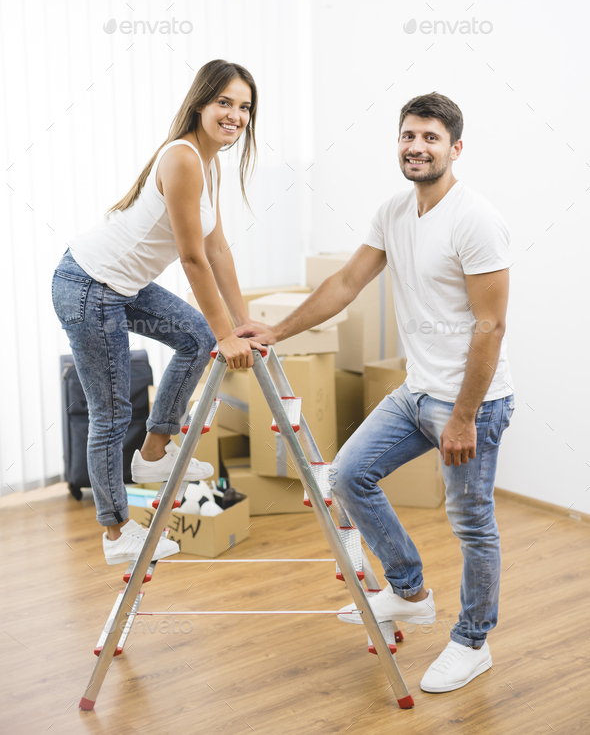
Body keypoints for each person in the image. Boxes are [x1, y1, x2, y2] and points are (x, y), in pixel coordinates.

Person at [234, 91, 515, 694]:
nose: (417, 147)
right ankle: (410, 590)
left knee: (472, 524)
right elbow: (344, 283)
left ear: (455, 148)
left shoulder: (476, 219)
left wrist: (464, 417)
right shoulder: (394, 212)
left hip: (472, 402)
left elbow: (491, 327)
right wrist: (276, 330)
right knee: (346, 476)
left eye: (431, 138)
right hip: (417, 393)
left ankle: (472, 641)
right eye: (408, 136)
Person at [52, 59, 265, 566]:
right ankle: (115, 531)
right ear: (200, 103)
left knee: (198, 337)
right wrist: (227, 334)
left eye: (245, 108)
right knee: (111, 412)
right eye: (225, 103)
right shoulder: (184, 157)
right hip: (88, 285)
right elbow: (191, 259)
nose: (235, 115)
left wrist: (241, 324)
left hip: (123, 286)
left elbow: (218, 252)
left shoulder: (208, 162)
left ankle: (154, 453)